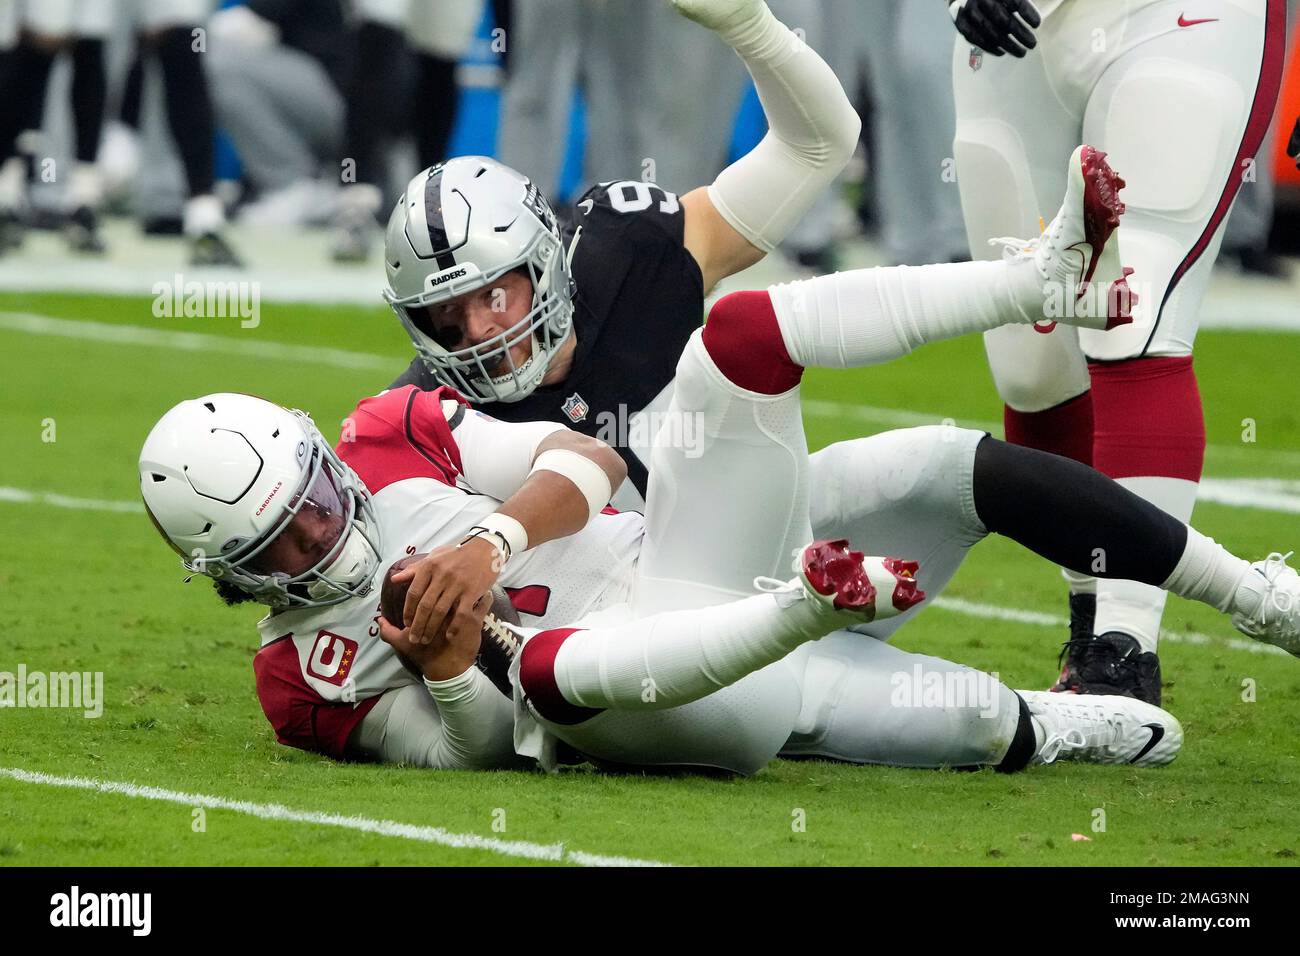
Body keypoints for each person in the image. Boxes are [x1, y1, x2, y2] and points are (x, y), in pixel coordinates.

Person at [140, 148, 1300, 773]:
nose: (316, 538)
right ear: (234, 574)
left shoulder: (388, 432)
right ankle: (1017, 710)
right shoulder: (301, 674)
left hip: (688, 545)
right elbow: (477, 746)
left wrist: (492, 537)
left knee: (936, 457)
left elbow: (582, 456)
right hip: (644, 694)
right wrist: (449, 667)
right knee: (967, 722)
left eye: (307, 505)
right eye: (278, 545)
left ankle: (1253, 588)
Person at [947, 0, 1288, 703]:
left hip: (1187, 18)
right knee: (1029, 349)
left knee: (1134, 316)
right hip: (1019, 26)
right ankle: (1087, 621)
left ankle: (1125, 649)